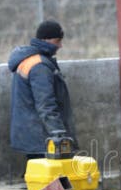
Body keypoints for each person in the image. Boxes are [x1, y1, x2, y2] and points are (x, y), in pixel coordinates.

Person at [8, 19, 76, 159]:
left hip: (32, 134)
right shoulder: (40, 66)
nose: (60, 46)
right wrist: (58, 133)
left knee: (40, 176)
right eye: (58, 41)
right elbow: (45, 104)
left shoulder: (30, 59)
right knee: (51, 177)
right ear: (47, 40)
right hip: (42, 136)